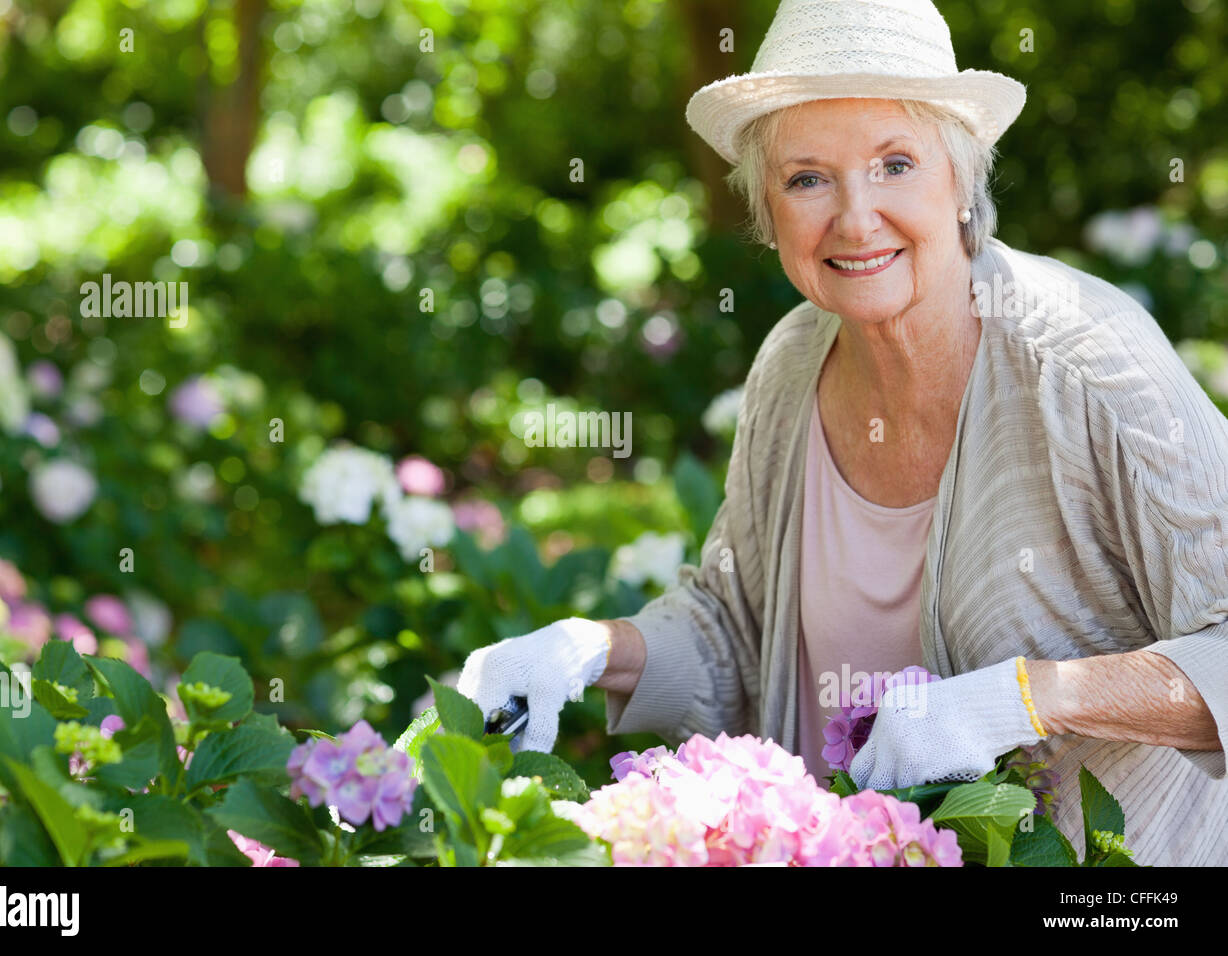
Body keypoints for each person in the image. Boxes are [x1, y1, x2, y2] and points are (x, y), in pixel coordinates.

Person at [458, 0, 1228, 865]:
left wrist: (1018, 700)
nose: (855, 217)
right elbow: (731, 633)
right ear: (768, 211)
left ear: (962, 179)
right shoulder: (792, 362)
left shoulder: (1088, 362)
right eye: (807, 178)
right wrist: (585, 651)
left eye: (895, 164)